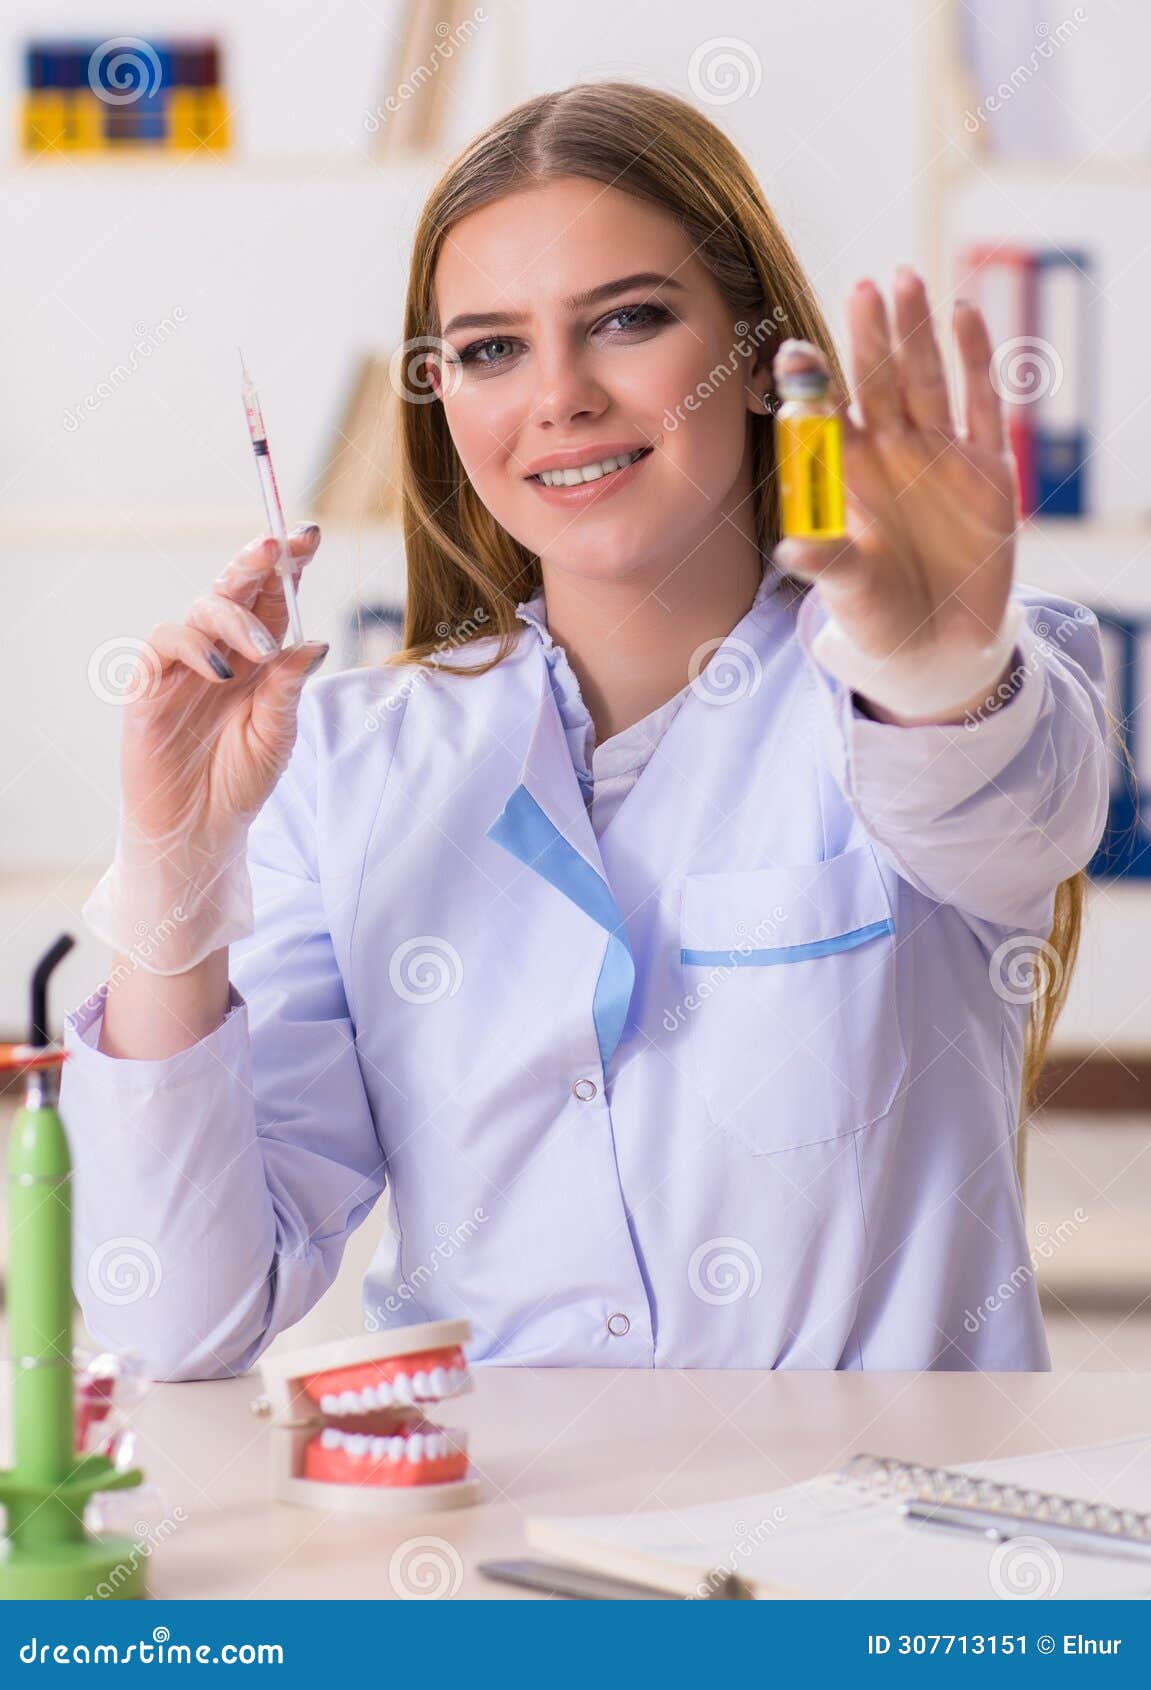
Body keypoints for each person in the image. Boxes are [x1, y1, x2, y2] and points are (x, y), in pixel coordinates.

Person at [62, 83, 1110, 1381]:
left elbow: (1018, 810)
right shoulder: (343, 763)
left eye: (628, 320)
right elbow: (177, 1318)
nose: (558, 396)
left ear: (755, 351)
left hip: (875, 1560)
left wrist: (930, 657)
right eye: (493, 348)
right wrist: (175, 871)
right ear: (443, 396)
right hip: (504, 1554)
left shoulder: (936, 686)